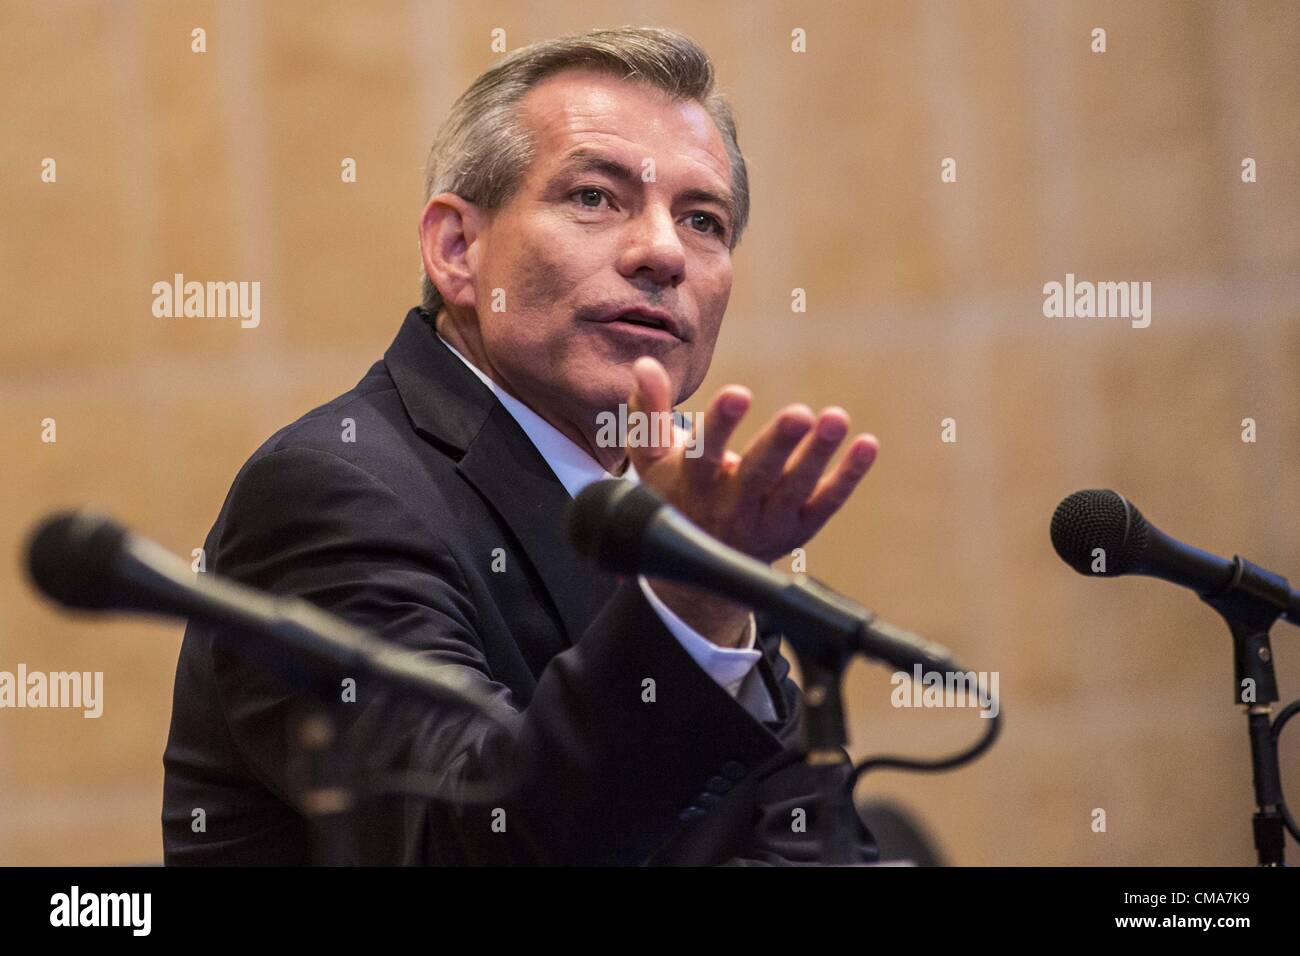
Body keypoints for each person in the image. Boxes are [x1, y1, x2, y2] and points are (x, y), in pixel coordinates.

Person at [163, 25, 881, 865]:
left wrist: (707, 579)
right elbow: (469, 838)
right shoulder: (331, 491)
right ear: (458, 250)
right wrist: (692, 599)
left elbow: (805, 844)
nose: (662, 253)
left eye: (703, 219)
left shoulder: (687, 511)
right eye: (594, 197)